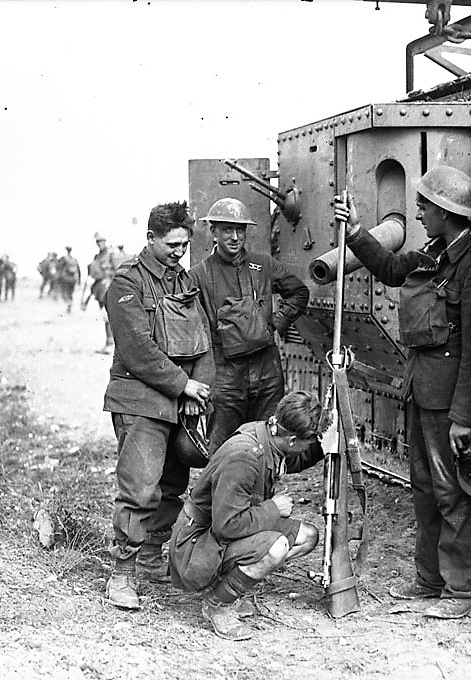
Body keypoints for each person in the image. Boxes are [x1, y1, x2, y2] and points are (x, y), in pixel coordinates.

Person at [333, 165, 471, 619]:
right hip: (423, 391)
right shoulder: (436, 253)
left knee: (454, 493)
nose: (418, 212)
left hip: (451, 402)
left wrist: (464, 417)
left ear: (445, 211)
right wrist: (358, 230)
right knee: (425, 490)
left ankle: (462, 589)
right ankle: (430, 579)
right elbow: (388, 268)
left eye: (424, 205)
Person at [103, 201, 214, 610]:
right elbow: (137, 349)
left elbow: (202, 340)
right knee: (141, 487)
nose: (178, 253)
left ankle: (151, 558)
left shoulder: (181, 280)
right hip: (141, 399)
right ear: (150, 239)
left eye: (184, 246)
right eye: (171, 245)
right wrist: (183, 385)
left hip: (180, 401)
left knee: (172, 485)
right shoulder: (126, 282)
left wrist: (200, 392)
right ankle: (122, 574)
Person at [169, 390, 325, 641]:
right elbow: (227, 526)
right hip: (196, 545)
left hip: (219, 533)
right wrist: (274, 508)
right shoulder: (244, 457)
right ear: (293, 440)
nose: (310, 447)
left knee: (307, 536)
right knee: (277, 547)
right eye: (310, 442)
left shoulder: (268, 433)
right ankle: (218, 603)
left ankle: (232, 584)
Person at [191, 197, 310, 452]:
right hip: (226, 379)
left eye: (240, 230)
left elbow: (299, 292)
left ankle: (263, 492)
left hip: (267, 373)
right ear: (213, 231)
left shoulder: (264, 265)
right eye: (227, 230)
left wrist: (277, 322)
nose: (235, 237)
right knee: (223, 448)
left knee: (268, 443)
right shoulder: (199, 275)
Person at [82, 231, 123, 353]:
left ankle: (112, 346)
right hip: (99, 290)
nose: (100, 244)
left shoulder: (111, 255)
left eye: (102, 241)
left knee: (110, 317)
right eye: (98, 242)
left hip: (109, 289)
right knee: (105, 317)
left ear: (105, 241)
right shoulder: (97, 257)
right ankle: (109, 344)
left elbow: (119, 272)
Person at [57, 246, 81, 312]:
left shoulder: (63, 258)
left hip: (65, 279)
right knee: (70, 293)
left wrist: (58, 278)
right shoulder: (74, 259)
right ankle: (69, 305)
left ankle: (68, 304)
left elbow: (59, 268)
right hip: (73, 279)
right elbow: (79, 270)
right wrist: (79, 281)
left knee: (64, 293)